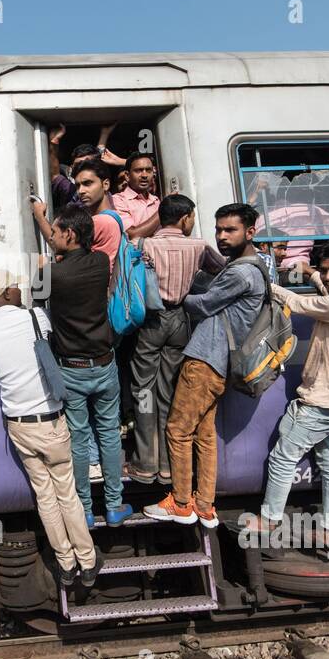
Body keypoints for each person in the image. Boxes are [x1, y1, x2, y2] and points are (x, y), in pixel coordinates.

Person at [242, 240, 329, 550]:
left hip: (327, 399)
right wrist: (312, 274)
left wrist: (263, 278)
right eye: (326, 270)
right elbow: (328, 294)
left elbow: (298, 303)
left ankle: (270, 519)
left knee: (283, 456)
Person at [0, 271, 101, 587]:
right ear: (4, 294)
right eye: (14, 287)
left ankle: (66, 565)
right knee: (67, 494)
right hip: (50, 423)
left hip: (19, 428)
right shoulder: (36, 318)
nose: (20, 290)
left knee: (45, 497)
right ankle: (87, 562)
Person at [145, 203, 265, 529]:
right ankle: (205, 505)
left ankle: (181, 503)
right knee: (205, 434)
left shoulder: (240, 273)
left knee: (178, 429)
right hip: (220, 363)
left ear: (250, 232)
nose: (222, 236)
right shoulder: (254, 266)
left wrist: (178, 292)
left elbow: (203, 304)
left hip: (205, 359)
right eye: (218, 230)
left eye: (231, 230)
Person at [42, 205, 133, 528]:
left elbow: (38, 303)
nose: (51, 237)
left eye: (54, 232)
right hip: (105, 364)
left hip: (71, 369)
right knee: (109, 434)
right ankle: (113, 505)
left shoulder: (50, 275)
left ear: (69, 234)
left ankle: (84, 509)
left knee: (79, 439)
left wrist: (44, 267)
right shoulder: (99, 263)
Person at [126, 195, 223, 484]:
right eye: (192, 217)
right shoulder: (199, 246)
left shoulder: (142, 246)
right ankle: (169, 466)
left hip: (150, 322)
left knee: (143, 389)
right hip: (180, 320)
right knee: (169, 390)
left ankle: (145, 463)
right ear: (184, 219)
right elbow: (221, 271)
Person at [31, 156, 122, 265]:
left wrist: (40, 217)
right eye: (78, 185)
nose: (81, 191)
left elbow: (56, 242)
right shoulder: (112, 216)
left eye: (88, 183)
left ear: (105, 184)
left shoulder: (100, 222)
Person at [112, 152, 162, 240]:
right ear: (127, 176)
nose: (144, 175)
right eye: (138, 170)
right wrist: (163, 210)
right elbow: (132, 234)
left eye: (148, 170)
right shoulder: (118, 200)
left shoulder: (156, 201)